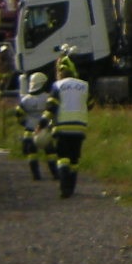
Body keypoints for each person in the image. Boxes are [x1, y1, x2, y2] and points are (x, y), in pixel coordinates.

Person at [45, 69, 90, 198]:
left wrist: (42, 123)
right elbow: (90, 103)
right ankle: (72, 186)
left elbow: (51, 106)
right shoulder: (84, 85)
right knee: (74, 159)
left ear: (61, 75)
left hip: (62, 127)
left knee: (63, 158)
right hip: (79, 127)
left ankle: (64, 187)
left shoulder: (58, 85)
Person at [14, 71, 52, 181]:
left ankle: (36, 175)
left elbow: (18, 113)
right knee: (51, 153)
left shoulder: (26, 99)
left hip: (29, 130)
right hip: (44, 131)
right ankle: (55, 173)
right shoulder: (47, 98)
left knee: (32, 153)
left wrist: (23, 122)